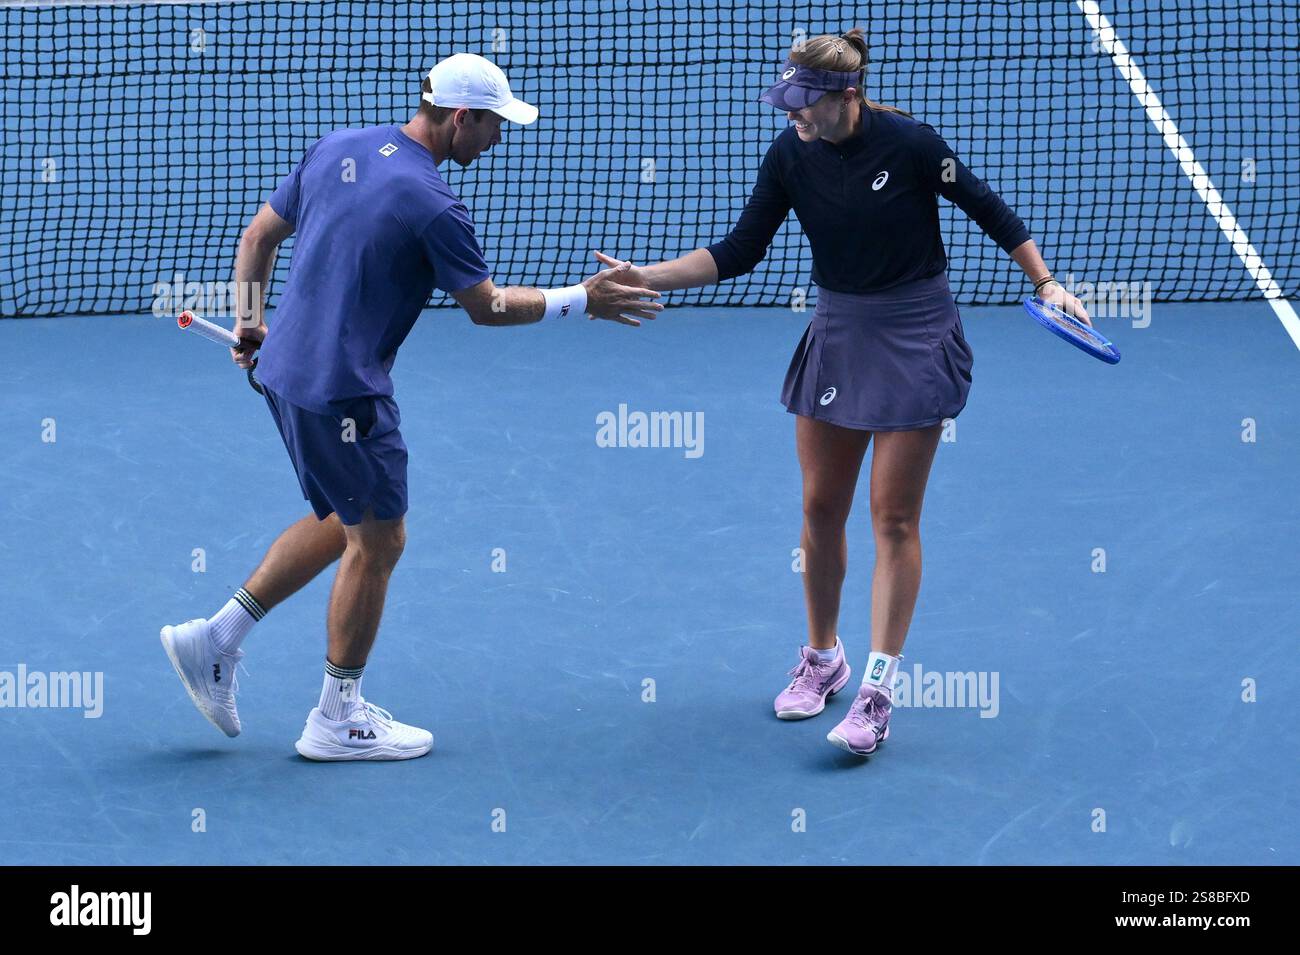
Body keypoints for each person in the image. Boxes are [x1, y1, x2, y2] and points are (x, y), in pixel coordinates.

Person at [594, 29, 1090, 756]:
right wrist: (646, 275)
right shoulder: (790, 153)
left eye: (805, 103)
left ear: (846, 96)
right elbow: (739, 251)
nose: (793, 114)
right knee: (821, 508)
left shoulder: (912, 145)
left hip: (916, 336)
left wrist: (1045, 282)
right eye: (789, 101)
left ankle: (879, 691)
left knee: (892, 517)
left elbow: (991, 211)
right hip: (839, 334)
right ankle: (823, 657)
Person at [160, 53, 661, 761]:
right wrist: (583, 299)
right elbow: (486, 308)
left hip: (281, 376)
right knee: (380, 540)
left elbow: (256, 237)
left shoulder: (340, 144)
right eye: (493, 125)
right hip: (345, 394)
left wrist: (248, 325)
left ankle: (214, 639)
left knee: (345, 518)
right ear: (461, 117)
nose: (497, 139)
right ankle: (338, 717)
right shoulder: (435, 204)